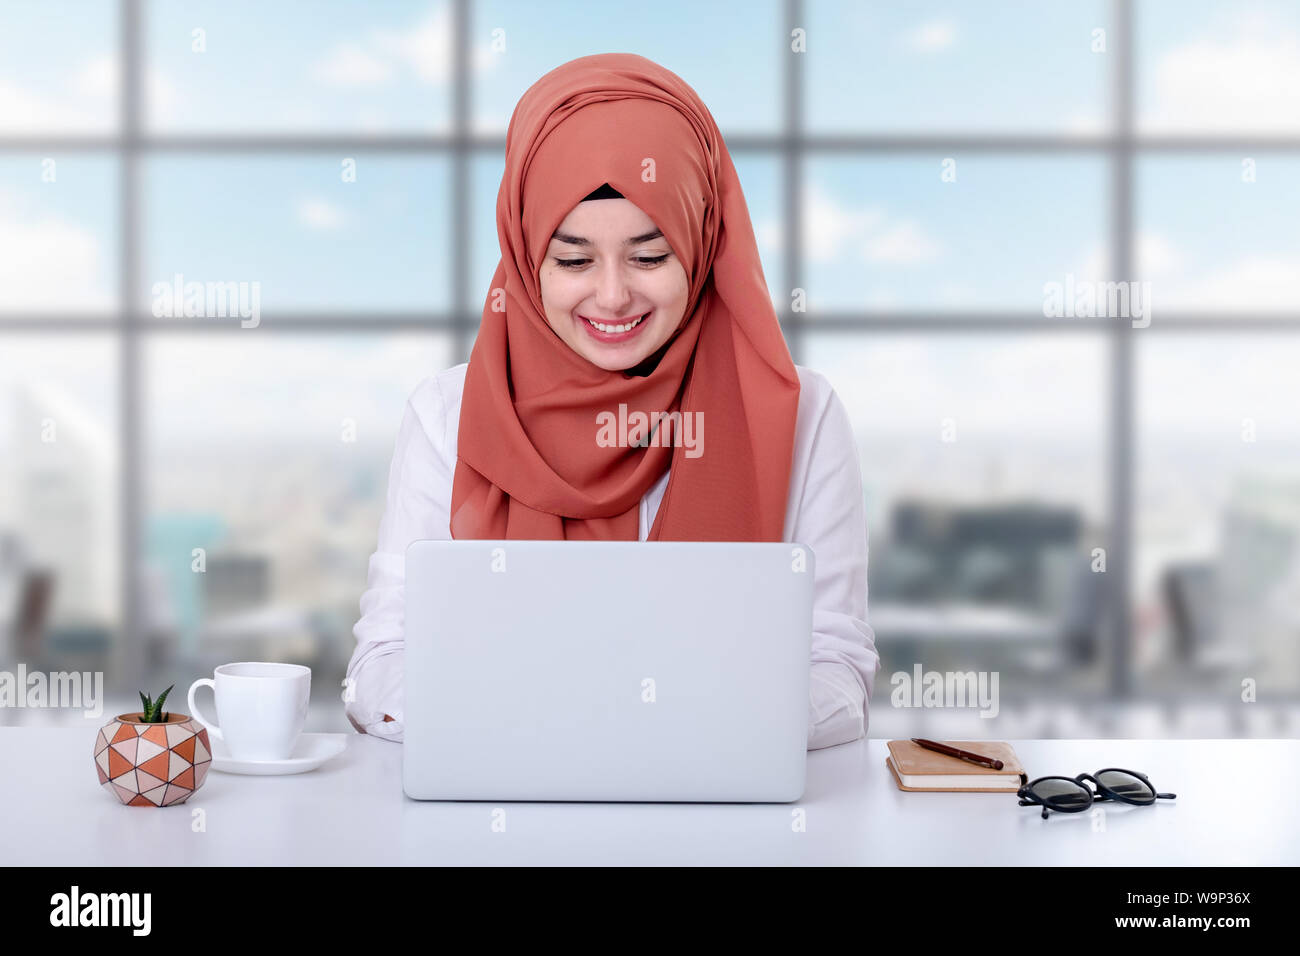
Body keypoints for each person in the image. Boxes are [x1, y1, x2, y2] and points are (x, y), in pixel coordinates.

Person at [344, 52, 878, 750]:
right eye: (572, 260)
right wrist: (538, 728)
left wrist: (675, 729)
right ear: (526, 255)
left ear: (703, 243)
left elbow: (837, 670)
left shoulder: (800, 413)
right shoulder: (448, 414)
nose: (612, 296)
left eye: (650, 257)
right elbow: (380, 664)